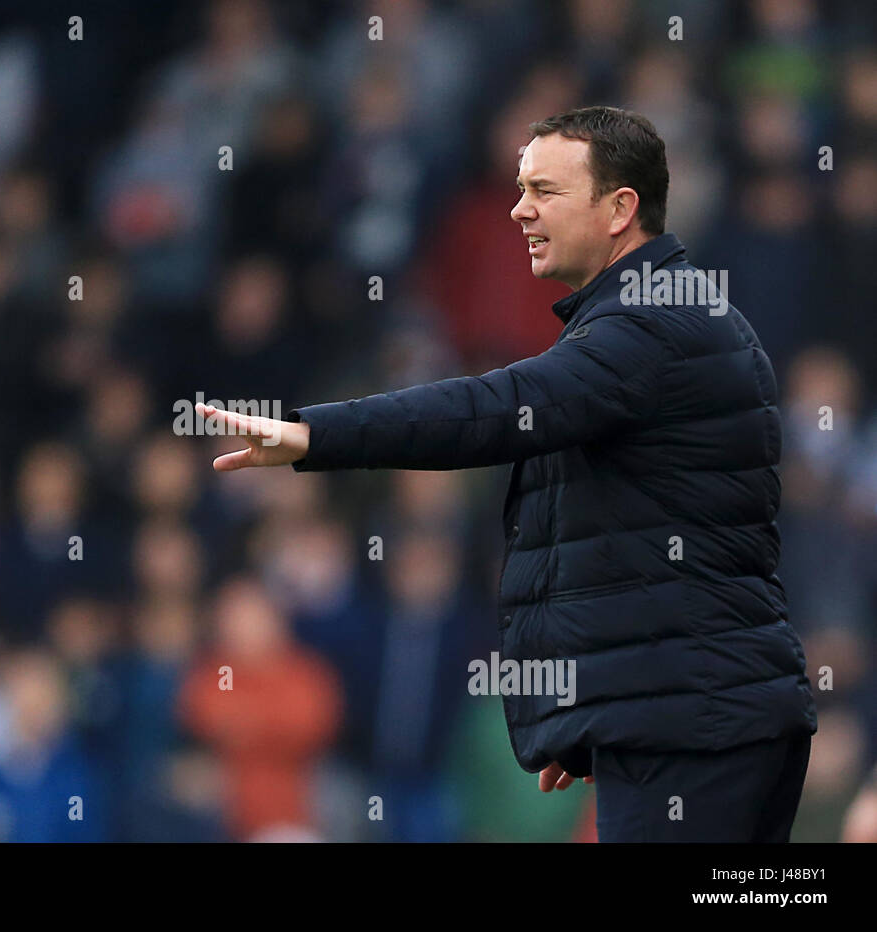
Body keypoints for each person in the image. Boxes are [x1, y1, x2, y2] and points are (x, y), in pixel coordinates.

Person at [194, 106, 818, 843]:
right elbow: (636, 547)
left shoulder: (655, 324)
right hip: (693, 709)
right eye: (521, 188)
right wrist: (587, 704)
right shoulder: (644, 323)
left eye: (545, 191)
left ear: (621, 209)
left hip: (695, 723)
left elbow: (497, 407)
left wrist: (315, 433)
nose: (519, 209)